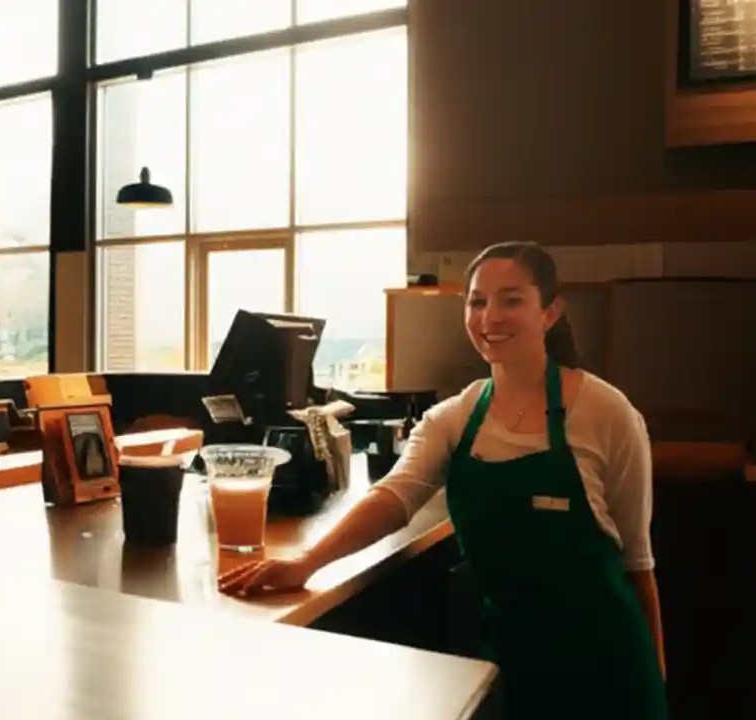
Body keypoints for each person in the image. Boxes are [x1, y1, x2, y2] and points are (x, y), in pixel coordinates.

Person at [217, 241, 668, 719]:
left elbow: (638, 563)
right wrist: (307, 563)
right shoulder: (454, 419)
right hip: (508, 666)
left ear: (550, 313)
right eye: (477, 302)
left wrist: (655, 677)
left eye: (512, 300)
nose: (490, 317)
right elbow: (394, 496)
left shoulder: (607, 413)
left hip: (605, 669)